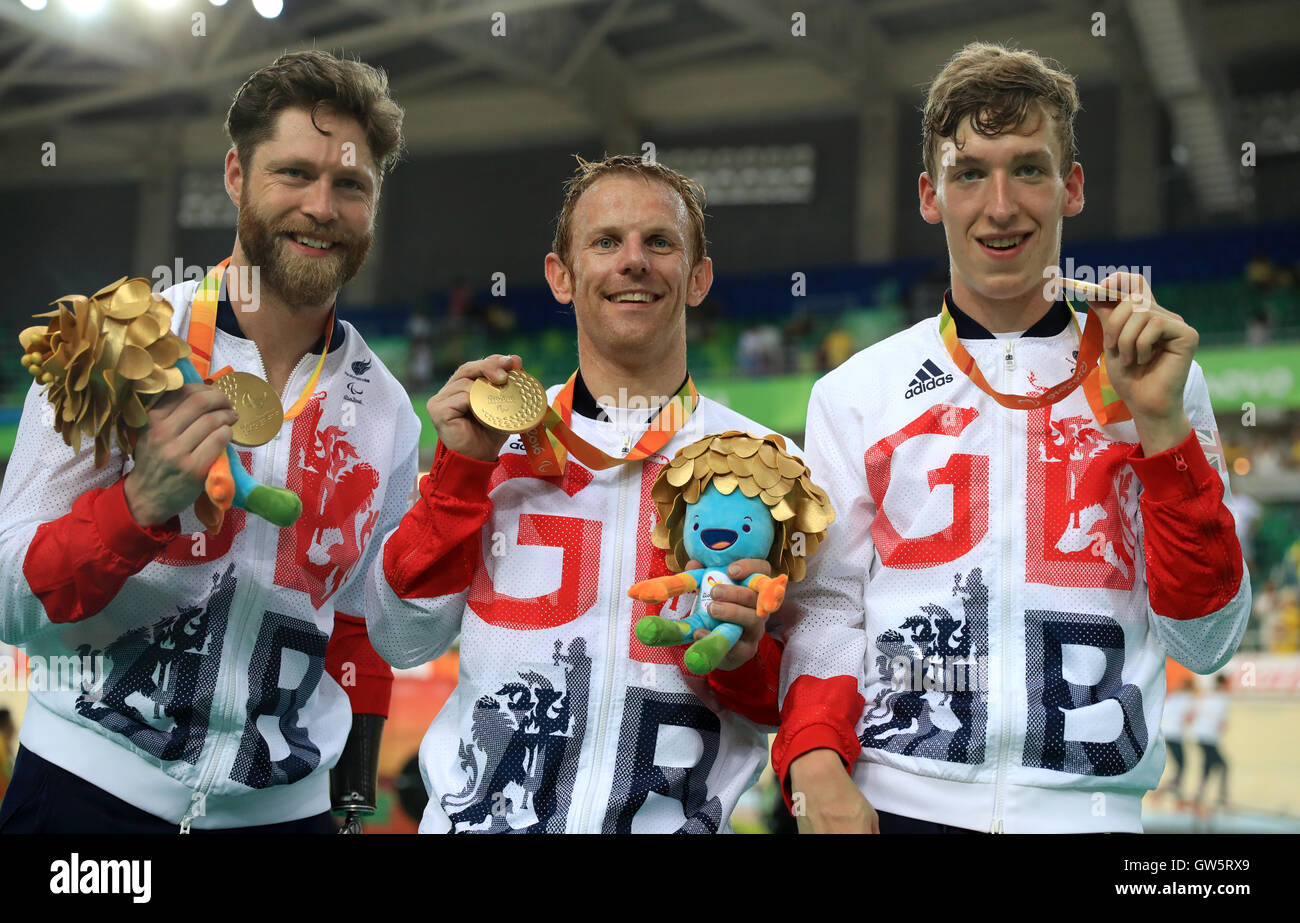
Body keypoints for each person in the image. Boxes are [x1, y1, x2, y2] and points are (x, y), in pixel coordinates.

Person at [778, 42, 1251, 834]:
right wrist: (814, 761)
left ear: (1071, 187)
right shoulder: (854, 393)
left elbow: (1206, 642)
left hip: (1091, 818)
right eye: (970, 174)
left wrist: (1162, 429)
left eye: (1028, 168)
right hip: (895, 806)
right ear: (932, 196)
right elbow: (827, 613)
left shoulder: (1158, 379)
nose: (1000, 206)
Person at [0, 50, 413, 833]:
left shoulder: (388, 410)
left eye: (350, 184)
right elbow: (5, 596)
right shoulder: (114, 346)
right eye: (293, 173)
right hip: (86, 802)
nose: (322, 206)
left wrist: (353, 801)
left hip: (287, 819)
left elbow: (361, 626)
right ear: (235, 175)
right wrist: (135, 507)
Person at [365, 154, 786, 833]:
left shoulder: (767, 467)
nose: (633, 261)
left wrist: (743, 660)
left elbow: (786, 694)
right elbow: (400, 638)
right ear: (560, 277)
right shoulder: (488, 448)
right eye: (606, 241)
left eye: (659, 242)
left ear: (699, 277)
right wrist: (457, 480)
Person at [1191, 673, 1232, 814]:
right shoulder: (1224, 698)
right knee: (1224, 765)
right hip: (1209, 738)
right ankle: (1221, 797)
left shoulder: (1207, 696)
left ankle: (1199, 796)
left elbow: (1195, 714)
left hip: (1200, 736)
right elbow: (1223, 723)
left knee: (1208, 767)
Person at [1157, 679, 1194, 805]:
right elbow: (1189, 718)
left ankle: (1171, 793)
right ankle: (1171, 794)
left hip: (1167, 734)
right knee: (1182, 766)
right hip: (1176, 735)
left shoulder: (1173, 697)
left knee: (1179, 766)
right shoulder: (1188, 698)